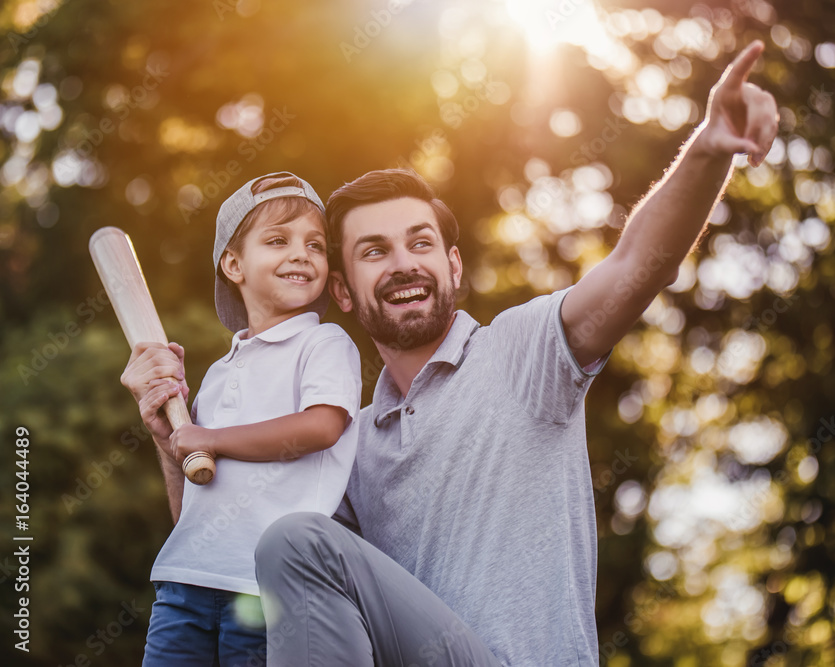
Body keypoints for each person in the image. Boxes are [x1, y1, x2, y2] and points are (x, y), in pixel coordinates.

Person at [123, 41, 777, 666]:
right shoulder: (353, 443)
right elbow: (229, 542)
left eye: (420, 242)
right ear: (343, 292)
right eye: (375, 251)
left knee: (296, 541)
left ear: (453, 265)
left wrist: (708, 150)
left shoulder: (522, 355)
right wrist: (169, 438)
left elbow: (638, 264)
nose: (404, 262)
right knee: (286, 546)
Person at [135, 172, 362, 667]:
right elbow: (192, 506)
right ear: (233, 264)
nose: (301, 254)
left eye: (316, 245)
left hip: (265, 591)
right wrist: (168, 437)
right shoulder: (218, 373)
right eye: (278, 240)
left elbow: (321, 427)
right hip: (184, 582)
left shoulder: (324, 344)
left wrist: (210, 437)